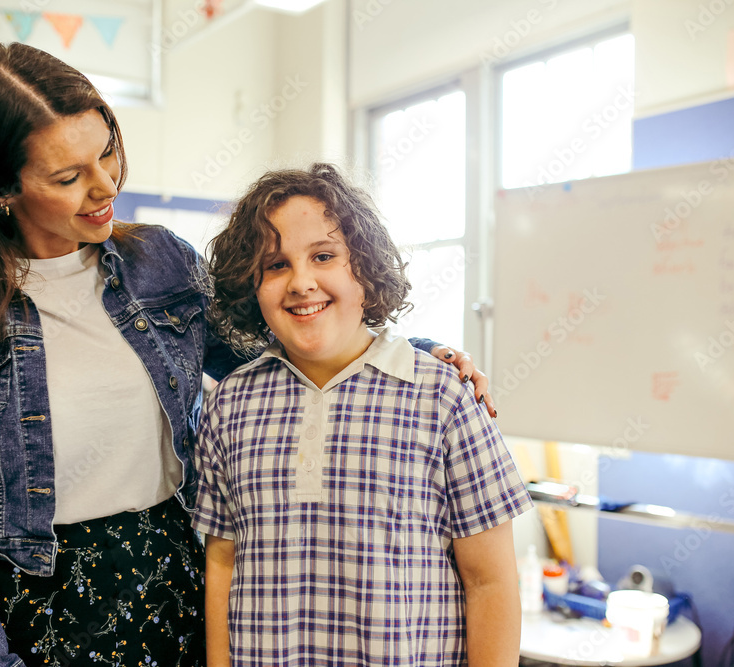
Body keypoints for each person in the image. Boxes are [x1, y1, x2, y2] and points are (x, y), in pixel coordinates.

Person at [0, 44, 491, 667]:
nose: (106, 186)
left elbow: (277, 351)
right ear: (0, 188)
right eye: (68, 177)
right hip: (34, 601)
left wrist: (415, 353)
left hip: (174, 580)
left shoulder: (160, 262)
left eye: (108, 152)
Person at [194, 163, 533, 667]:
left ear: (366, 271)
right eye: (275, 265)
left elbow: (490, 581)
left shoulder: (442, 397)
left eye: (324, 256)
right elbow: (223, 561)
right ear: (251, 287)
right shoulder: (229, 404)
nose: (301, 281)